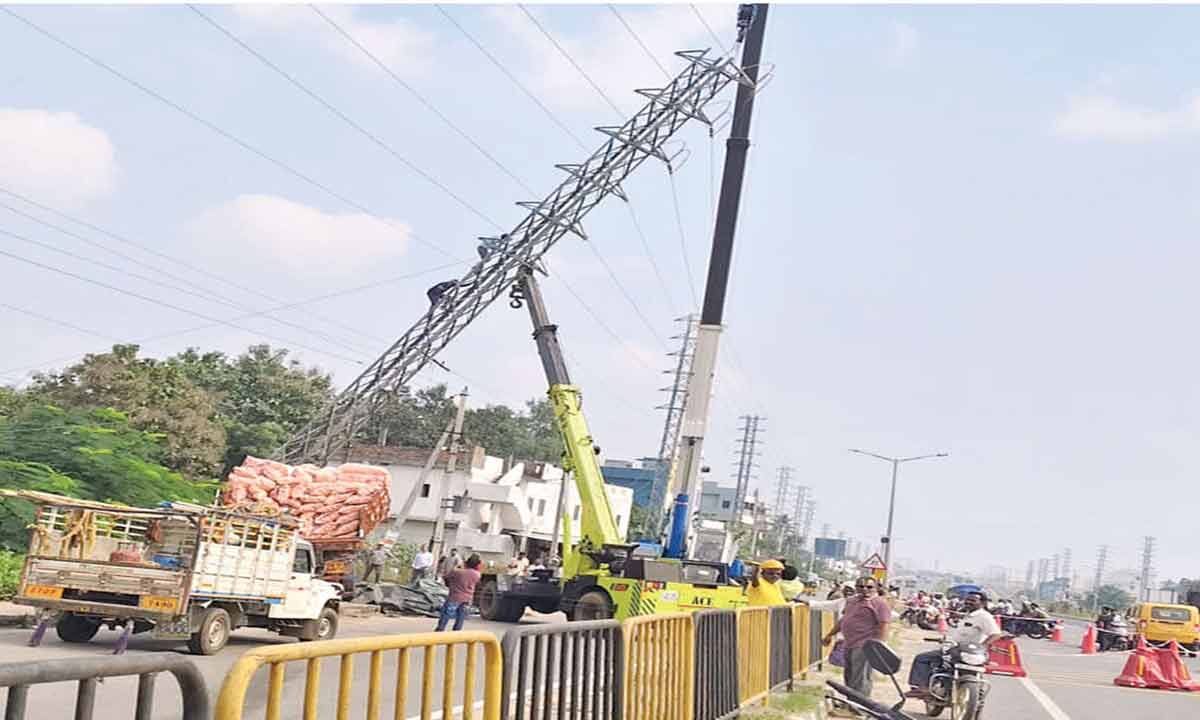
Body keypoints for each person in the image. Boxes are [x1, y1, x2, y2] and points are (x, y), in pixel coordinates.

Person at [908, 591, 1002, 696]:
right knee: (928, 659)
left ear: (982, 603)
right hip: (955, 650)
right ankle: (925, 687)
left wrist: (982, 646)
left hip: (970, 653)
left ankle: (922, 688)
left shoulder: (984, 616)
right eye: (967, 599)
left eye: (973, 600)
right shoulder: (968, 615)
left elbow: (996, 634)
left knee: (922, 659)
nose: (968, 602)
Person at [824, 576, 891, 698]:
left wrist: (879, 646)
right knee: (849, 675)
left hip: (866, 646)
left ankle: (859, 707)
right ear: (856, 588)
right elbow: (844, 620)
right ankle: (851, 702)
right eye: (861, 586)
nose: (865, 589)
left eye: (869, 587)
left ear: (875, 588)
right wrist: (830, 634)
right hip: (849, 643)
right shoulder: (851, 601)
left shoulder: (880, 603)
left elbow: (884, 625)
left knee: (861, 678)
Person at [435, 553, 483, 631]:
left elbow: (446, 577)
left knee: (446, 614)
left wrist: (457, 568)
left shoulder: (457, 572)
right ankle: (456, 632)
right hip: (467, 598)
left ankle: (440, 629)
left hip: (454, 597)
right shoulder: (477, 575)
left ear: (466, 563)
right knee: (461, 616)